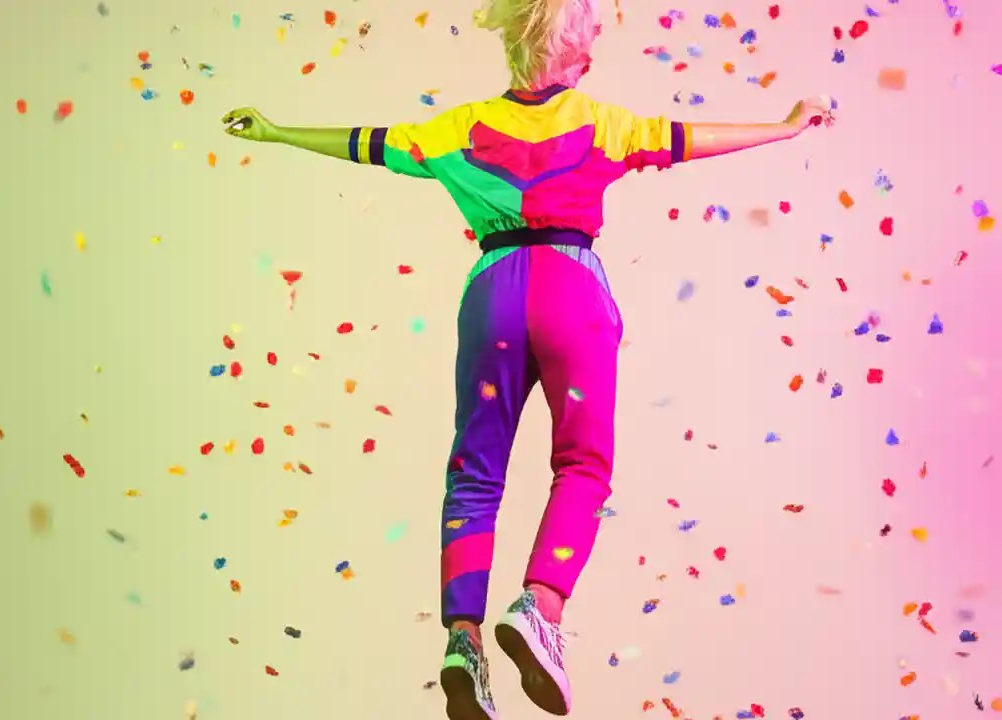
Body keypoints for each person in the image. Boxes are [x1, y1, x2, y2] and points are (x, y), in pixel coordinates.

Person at [221, 0, 832, 717]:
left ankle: (462, 639)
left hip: (493, 295)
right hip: (572, 291)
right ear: (568, 47)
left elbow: (366, 142)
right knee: (582, 464)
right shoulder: (604, 123)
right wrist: (787, 126)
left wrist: (276, 130)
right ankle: (540, 605)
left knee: (475, 469)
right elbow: (696, 138)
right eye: (591, 36)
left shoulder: (457, 130)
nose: (597, 47)